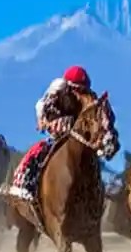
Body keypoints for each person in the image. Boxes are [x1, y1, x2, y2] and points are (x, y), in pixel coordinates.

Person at [9, 66, 94, 202]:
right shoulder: (57, 91)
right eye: (77, 89)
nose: (80, 94)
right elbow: (41, 106)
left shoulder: (89, 98)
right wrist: (44, 120)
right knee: (39, 151)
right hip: (58, 133)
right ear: (69, 87)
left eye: (83, 90)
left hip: (79, 137)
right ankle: (24, 183)